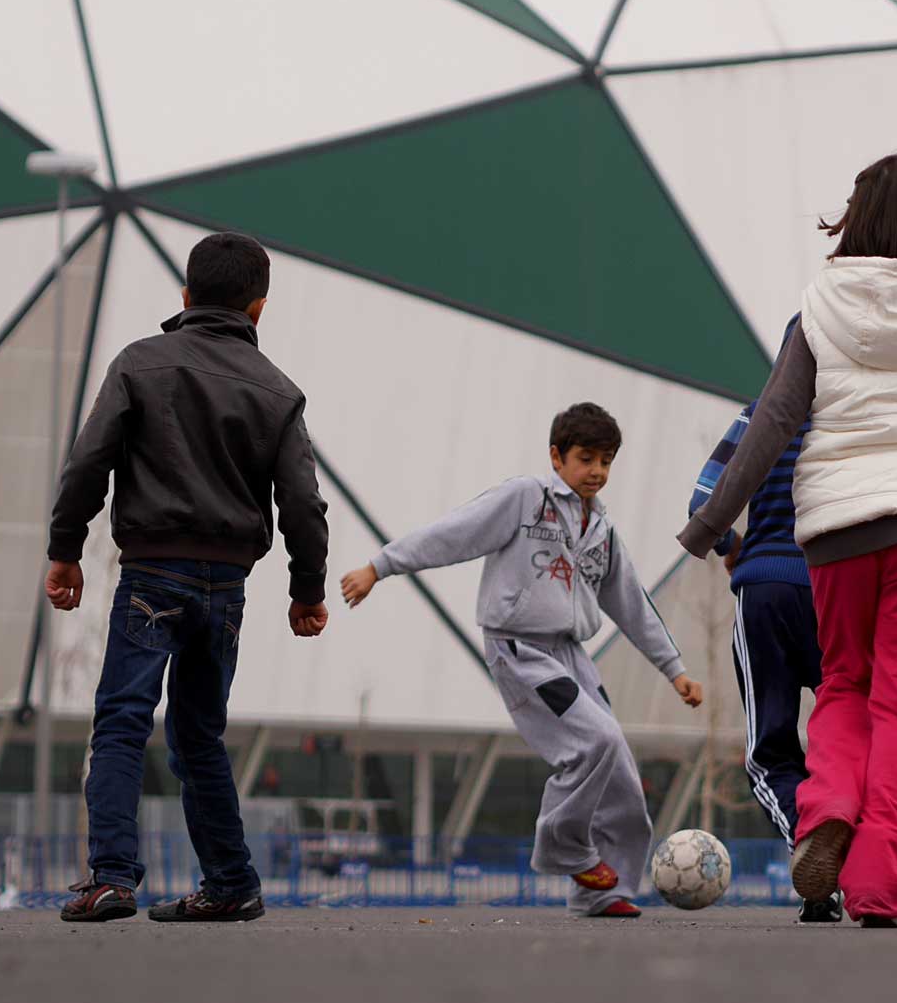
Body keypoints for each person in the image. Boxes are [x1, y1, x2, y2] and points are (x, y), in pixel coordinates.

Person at [679, 154, 897, 928]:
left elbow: (771, 423)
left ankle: (828, 807)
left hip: (834, 533)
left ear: (855, 220)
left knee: (843, 686)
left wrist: (710, 524)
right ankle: (877, 886)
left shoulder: (819, 310)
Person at [45, 231, 330, 924]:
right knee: (199, 737)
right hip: (226, 588)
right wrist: (307, 591)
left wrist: (66, 548)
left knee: (120, 722)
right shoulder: (279, 392)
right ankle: (232, 883)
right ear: (257, 309)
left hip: (152, 574)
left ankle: (112, 877)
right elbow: (302, 503)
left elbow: (88, 464)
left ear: (184, 296)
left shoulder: (141, 363)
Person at [339, 402, 703, 918]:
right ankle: (565, 848)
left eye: (606, 461)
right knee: (591, 742)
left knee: (620, 771)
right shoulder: (525, 499)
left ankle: (604, 892)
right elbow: (454, 532)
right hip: (519, 649)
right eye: (585, 458)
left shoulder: (602, 528)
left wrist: (675, 670)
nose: (596, 471)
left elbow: (632, 605)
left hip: (572, 656)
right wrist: (380, 566)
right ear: (557, 457)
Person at [685, 316, 836, 922]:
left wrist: (731, 553)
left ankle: (810, 847)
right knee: (846, 735)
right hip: (835, 592)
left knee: (770, 748)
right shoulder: (848, 417)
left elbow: (704, 500)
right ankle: (842, 841)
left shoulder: (757, 415)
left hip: (766, 587)